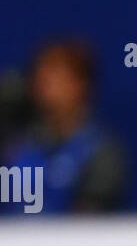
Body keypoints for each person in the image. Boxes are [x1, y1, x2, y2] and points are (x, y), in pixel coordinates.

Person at [1, 39, 126, 214]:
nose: (45, 85)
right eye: (41, 77)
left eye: (57, 77)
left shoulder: (99, 153)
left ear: (81, 84)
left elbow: (91, 221)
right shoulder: (14, 146)